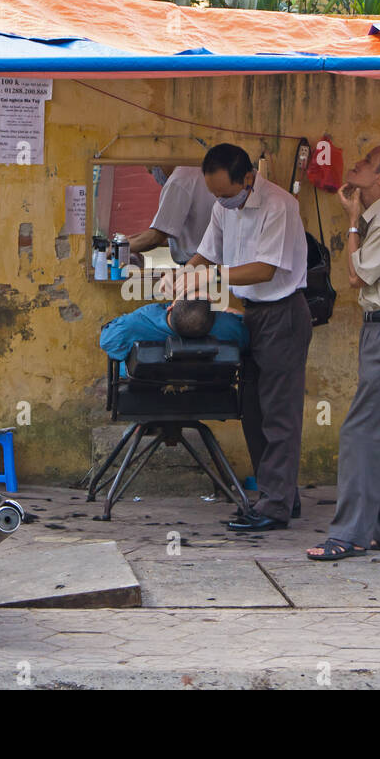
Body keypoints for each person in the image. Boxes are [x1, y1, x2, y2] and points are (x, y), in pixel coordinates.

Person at [180, 143, 310, 532]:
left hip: (283, 314)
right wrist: (185, 276)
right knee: (253, 410)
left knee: (279, 413)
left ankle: (274, 506)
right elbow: (205, 254)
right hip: (250, 316)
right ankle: (279, 496)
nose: (222, 201)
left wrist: (211, 277)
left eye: (226, 192)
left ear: (248, 178)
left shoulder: (279, 205)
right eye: (215, 194)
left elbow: (264, 270)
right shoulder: (224, 206)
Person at [307, 141, 380, 560]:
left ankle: (349, 535)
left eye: (367, 162)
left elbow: (358, 276)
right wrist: (357, 220)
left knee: (359, 432)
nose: (356, 164)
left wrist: (352, 222)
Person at [99, 297, 249, 374]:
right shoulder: (229, 327)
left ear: (170, 308)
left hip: (146, 390)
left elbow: (108, 341)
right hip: (206, 393)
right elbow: (247, 337)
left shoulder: (140, 321)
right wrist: (227, 312)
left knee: (122, 360)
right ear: (213, 315)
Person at [126, 165, 218, 265]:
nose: (149, 172)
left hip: (199, 264)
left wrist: (117, 248)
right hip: (209, 263)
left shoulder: (179, 179)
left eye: (151, 168)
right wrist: (131, 240)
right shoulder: (195, 171)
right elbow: (175, 235)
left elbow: (155, 237)